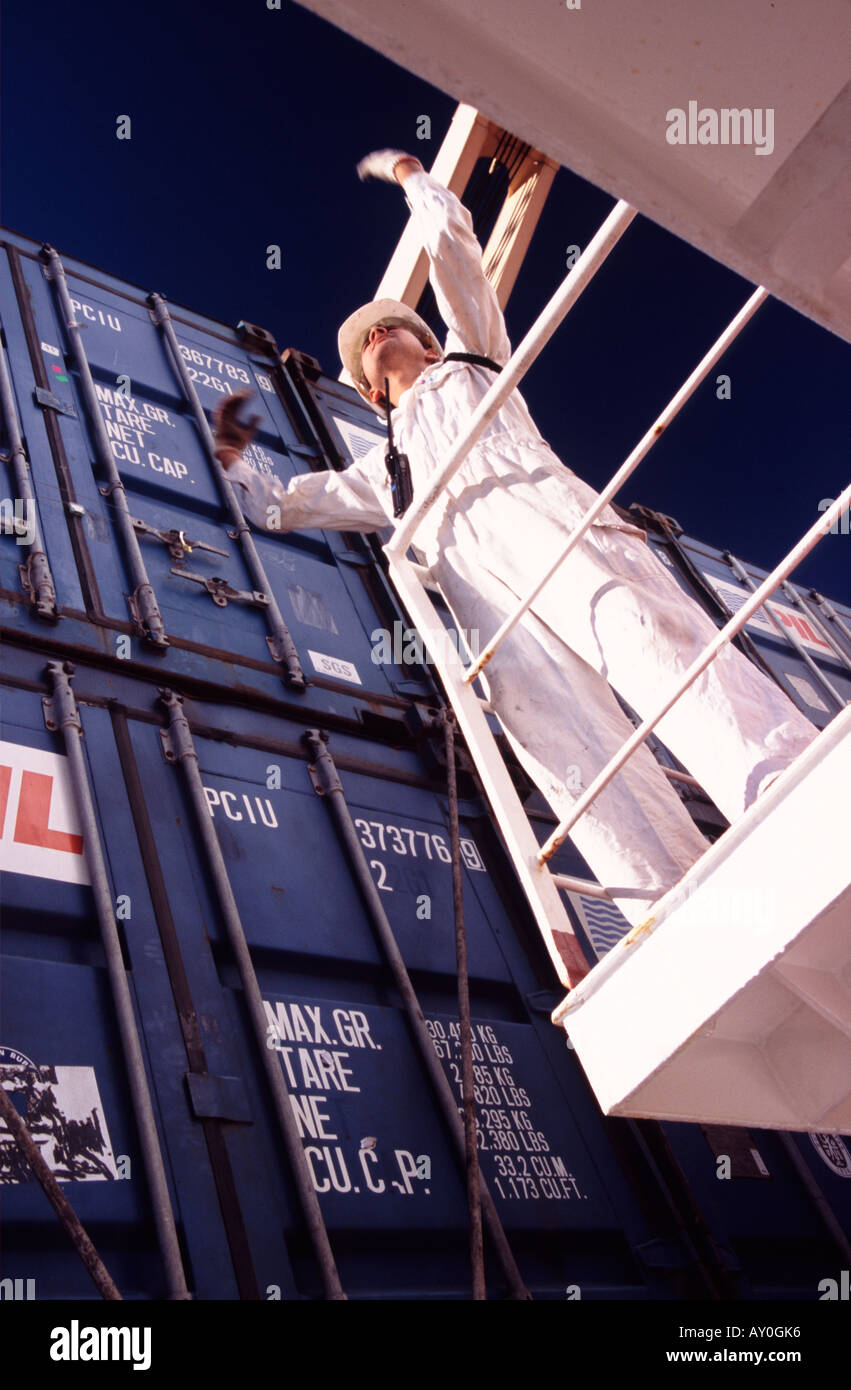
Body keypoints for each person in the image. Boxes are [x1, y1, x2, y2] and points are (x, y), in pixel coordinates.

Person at [215, 149, 817, 928]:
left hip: (551, 528)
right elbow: (281, 506)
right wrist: (233, 455)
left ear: (427, 342)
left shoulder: (473, 360)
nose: (384, 332)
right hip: (481, 597)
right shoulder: (380, 469)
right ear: (365, 393)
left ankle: (788, 791)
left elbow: (457, 256)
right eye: (369, 336)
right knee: (561, 739)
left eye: (396, 323)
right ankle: (669, 907)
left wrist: (409, 176)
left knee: (650, 644)